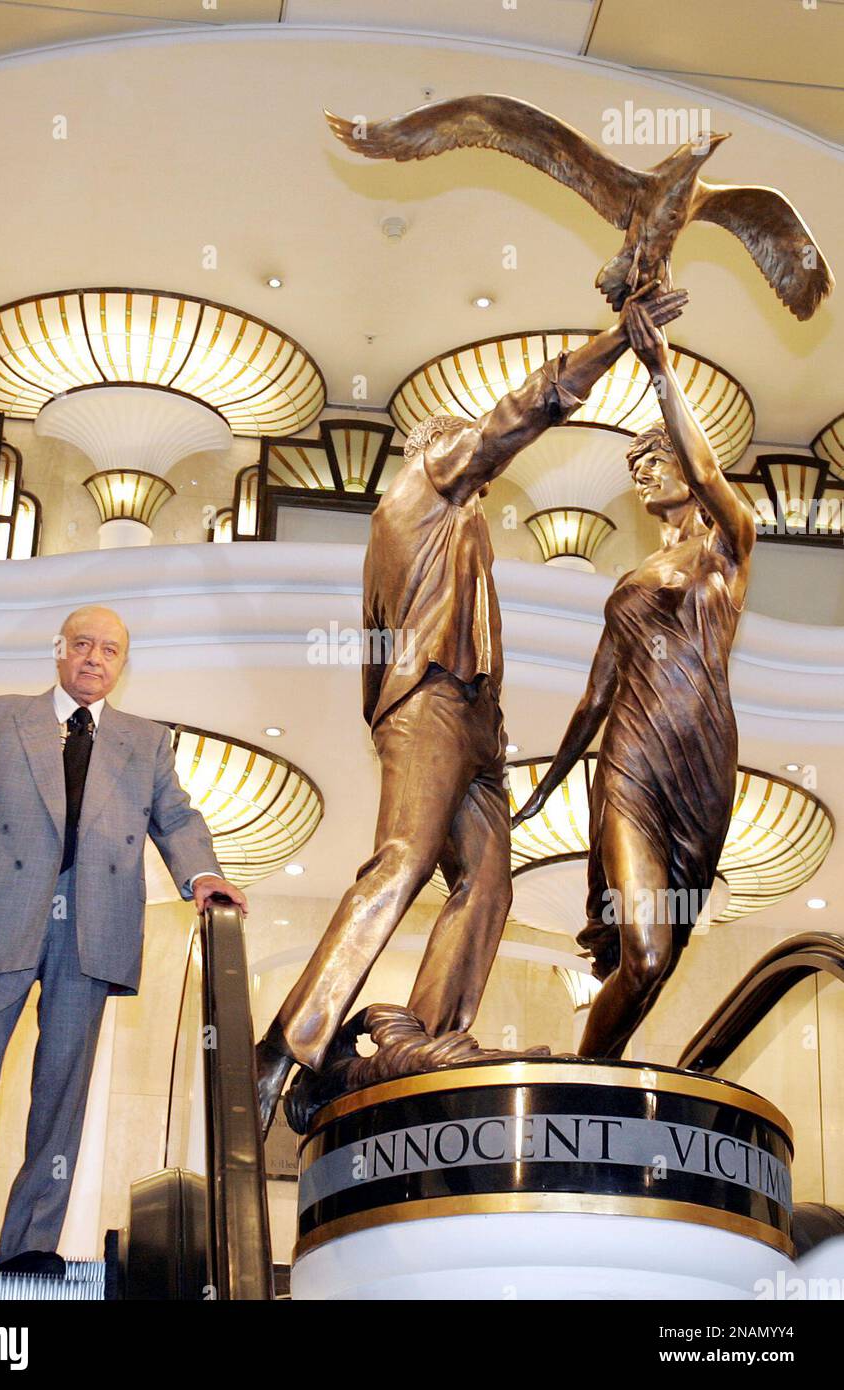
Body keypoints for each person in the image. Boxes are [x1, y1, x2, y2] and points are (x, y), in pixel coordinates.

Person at [255, 284, 688, 1132]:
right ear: (433, 455)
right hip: (428, 705)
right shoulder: (417, 496)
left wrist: (489, 728)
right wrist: (607, 346)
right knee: (401, 862)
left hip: (473, 721)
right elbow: (510, 420)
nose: (481, 477)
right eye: (466, 457)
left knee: (487, 885)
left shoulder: (461, 522)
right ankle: (289, 1045)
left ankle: (429, 1039)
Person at [0, 605, 247, 1276]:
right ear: (59, 651)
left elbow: (176, 816)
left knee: (62, 1089)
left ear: (121, 664)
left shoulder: (145, 741)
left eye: (109, 649)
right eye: (82, 644)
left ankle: (30, 1242)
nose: (93, 658)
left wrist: (203, 875)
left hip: (91, 929)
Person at [516, 295, 755, 1058]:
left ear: (686, 464)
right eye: (635, 466)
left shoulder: (727, 543)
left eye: (654, 459)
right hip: (627, 765)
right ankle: (590, 1073)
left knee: (660, 956)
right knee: (642, 949)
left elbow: (713, 467)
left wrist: (658, 371)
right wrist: (550, 787)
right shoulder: (633, 575)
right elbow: (594, 694)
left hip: (700, 758)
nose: (643, 471)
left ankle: (596, 1080)